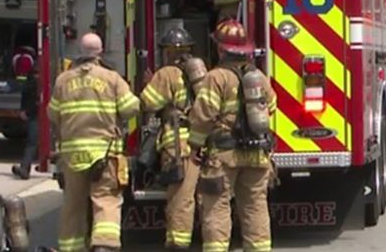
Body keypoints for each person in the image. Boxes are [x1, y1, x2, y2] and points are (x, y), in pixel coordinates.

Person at [189, 19, 277, 252]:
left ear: (220, 48)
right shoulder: (257, 76)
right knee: (255, 206)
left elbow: (204, 114)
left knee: (216, 208)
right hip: (257, 154)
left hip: (224, 155)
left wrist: (195, 146)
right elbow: (272, 105)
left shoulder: (216, 77)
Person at [48, 33, 139, 252]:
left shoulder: (63, 80)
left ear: (80, 51)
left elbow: (52, 114)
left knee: (73, 204)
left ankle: (72, 247)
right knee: (106, 199)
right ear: (100, 52)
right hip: (104, 154)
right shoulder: (112, 78)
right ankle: (104, 246)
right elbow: (131, 108)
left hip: (72, 155)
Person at [140, 26, 205, 251]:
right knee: (191, 196)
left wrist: (150, 83)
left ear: (167, 52)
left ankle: (178, 243)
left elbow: (148, 103)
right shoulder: (199, 74)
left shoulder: (167, 74)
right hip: (199, 143)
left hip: (178, 146)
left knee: (179, 198)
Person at [11, 63, 39, 180]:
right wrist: (24, 110)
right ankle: (24, 169)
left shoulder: (33, 81)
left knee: (32, 143)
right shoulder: (33, 81)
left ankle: (25, 168)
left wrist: (25, 111)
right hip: (36, 114)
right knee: (32, 142)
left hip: (37, 114)